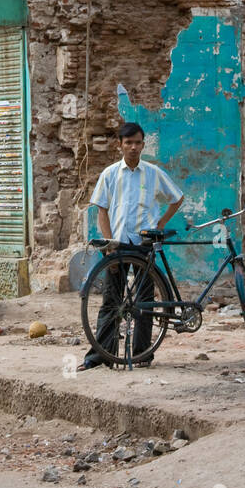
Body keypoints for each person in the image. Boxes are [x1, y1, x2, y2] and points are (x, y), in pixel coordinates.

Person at [79, 123, 184, 371]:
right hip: (117, 245)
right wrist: (109, 243)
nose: (133, 147)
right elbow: (101, 211)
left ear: (143, 144)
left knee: (144, 301)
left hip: (144, 244)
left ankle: (142, 354)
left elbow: (177, 198)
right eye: (128, 143)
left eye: (137, 142)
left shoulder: (153, 173)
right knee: (111, 301)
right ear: (120, 145)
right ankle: (99, 356)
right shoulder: (110, 174)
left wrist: (159, 224)